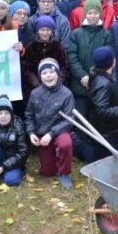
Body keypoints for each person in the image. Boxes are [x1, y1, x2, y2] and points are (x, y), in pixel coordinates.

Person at [25, 58, 75, 189]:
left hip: (59, 133)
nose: (48, 76)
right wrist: (31, 133)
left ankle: (65, 173)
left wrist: (51, 133)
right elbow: (29, 115)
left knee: (66, 143)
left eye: (51, 72)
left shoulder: (67, 94)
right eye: (44, 73)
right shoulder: (35, 93)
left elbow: (69, 120)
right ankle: (53, 161)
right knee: (48, 172)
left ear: (57, 74)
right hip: (42, 134)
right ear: (40, 77)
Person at [66, 0, 115, 118]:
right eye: (90, 13)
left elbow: (108, 58)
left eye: (95, 13)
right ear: (85, 14)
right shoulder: (76, 34)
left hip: (98, 83)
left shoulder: (106, 34)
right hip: (79, 83)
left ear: (100, 14)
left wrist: (93, 76)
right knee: (81, 119)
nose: (92, 16)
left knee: (97, 118)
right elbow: (72, 56)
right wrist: (82, 75)